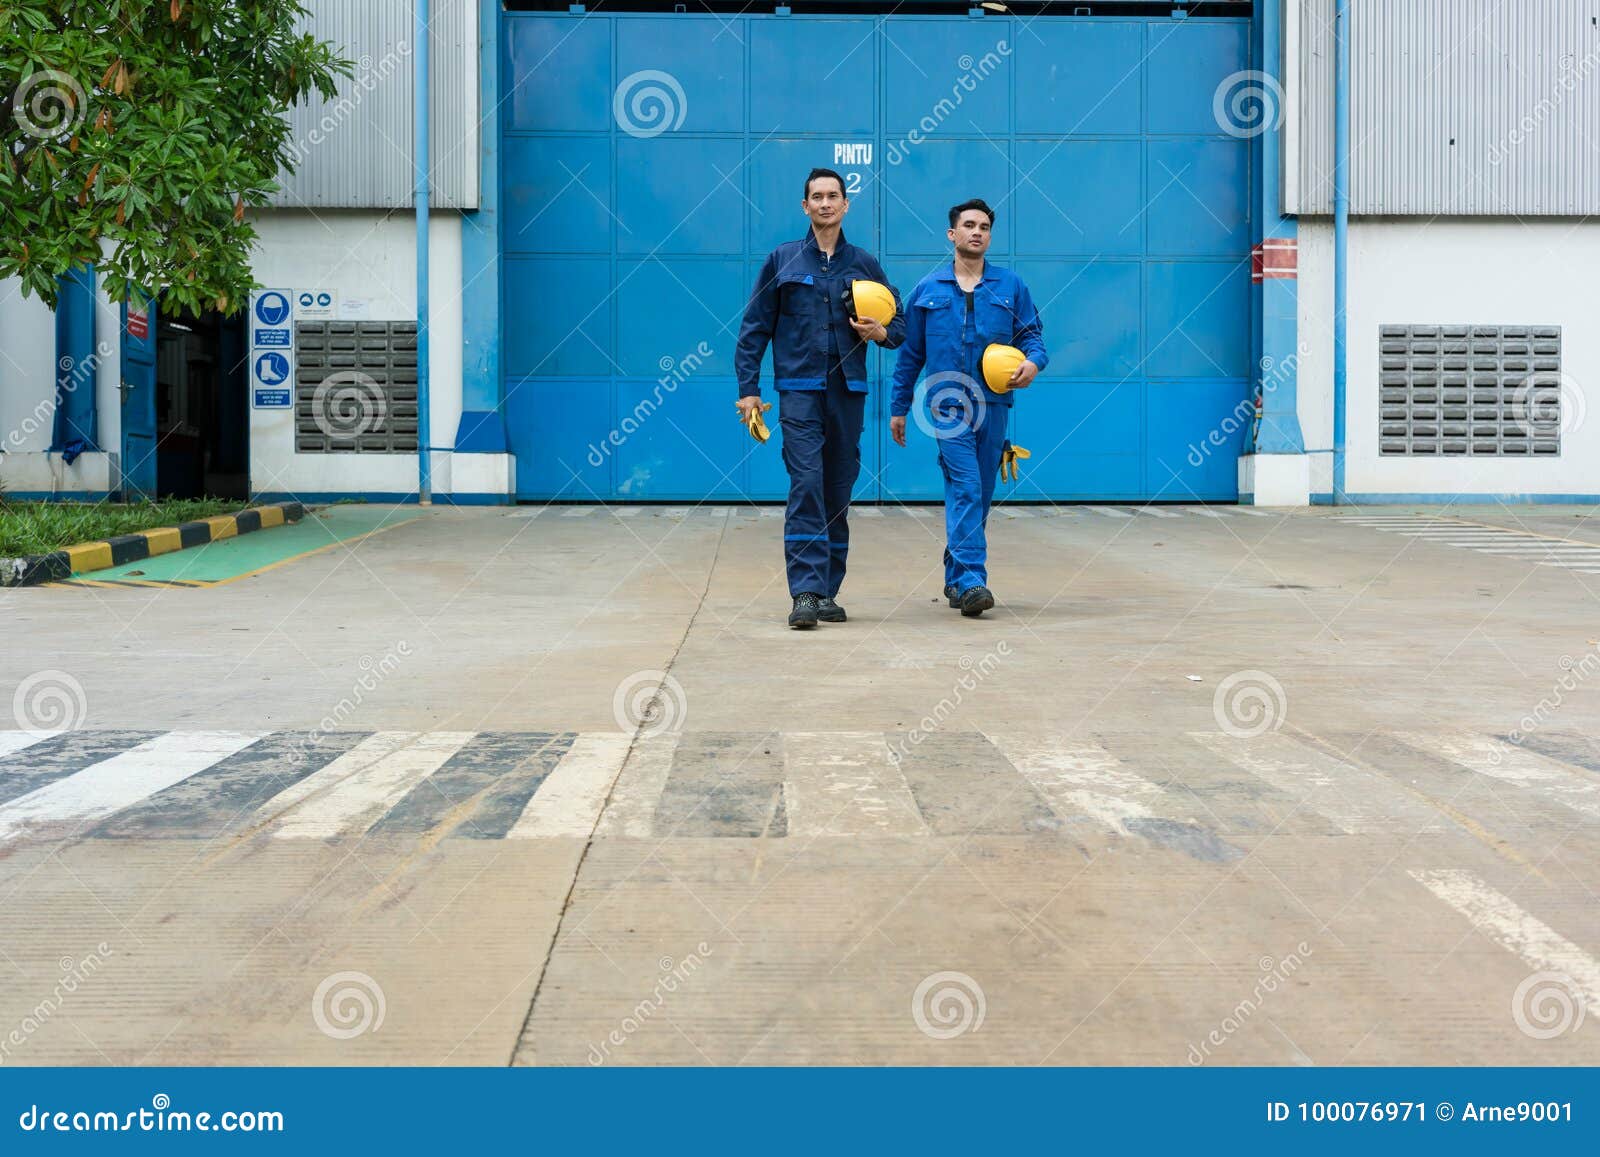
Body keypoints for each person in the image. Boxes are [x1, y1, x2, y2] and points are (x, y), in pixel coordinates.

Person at [736, 167, 905, 629]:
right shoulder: (782, 260)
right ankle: (805, 592)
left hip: (847, 391)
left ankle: (828, 590)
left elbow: (900, 325)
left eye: (833, 196)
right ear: (805, 206)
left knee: (838, 487)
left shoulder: (865, 264)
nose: (825, 203)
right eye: (817, 196)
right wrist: (748, 389)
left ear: (845, 204)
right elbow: (755, 328)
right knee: (807, 481)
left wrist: (882, 333)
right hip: (798, 390)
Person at [889, 198, 1048, 618]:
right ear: (952, 234)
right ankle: (974, 579)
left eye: (984, 227)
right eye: (969, 225)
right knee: (967, 486)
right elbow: (910, 355)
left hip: (994, 402)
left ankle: (956, 576)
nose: (977, 232)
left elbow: (1032, 337)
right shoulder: (928, 290)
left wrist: (1033, 363)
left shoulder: (1011, 286)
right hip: (948, 405)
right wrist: (899, 407)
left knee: (980, 493)